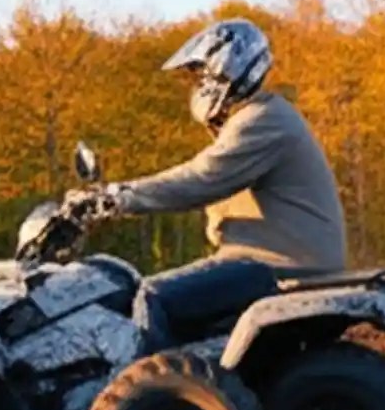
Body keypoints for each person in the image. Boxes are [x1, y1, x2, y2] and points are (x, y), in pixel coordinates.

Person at [66, 18, 347, 353]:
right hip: (272, 262)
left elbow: (200, 179)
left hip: (284, 267)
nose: (197, 86)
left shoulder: (262, 120)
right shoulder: (257, 119)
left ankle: (156, 399)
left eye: (201, 75)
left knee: (152, 298)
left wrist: (116, 198)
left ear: (227, 70)